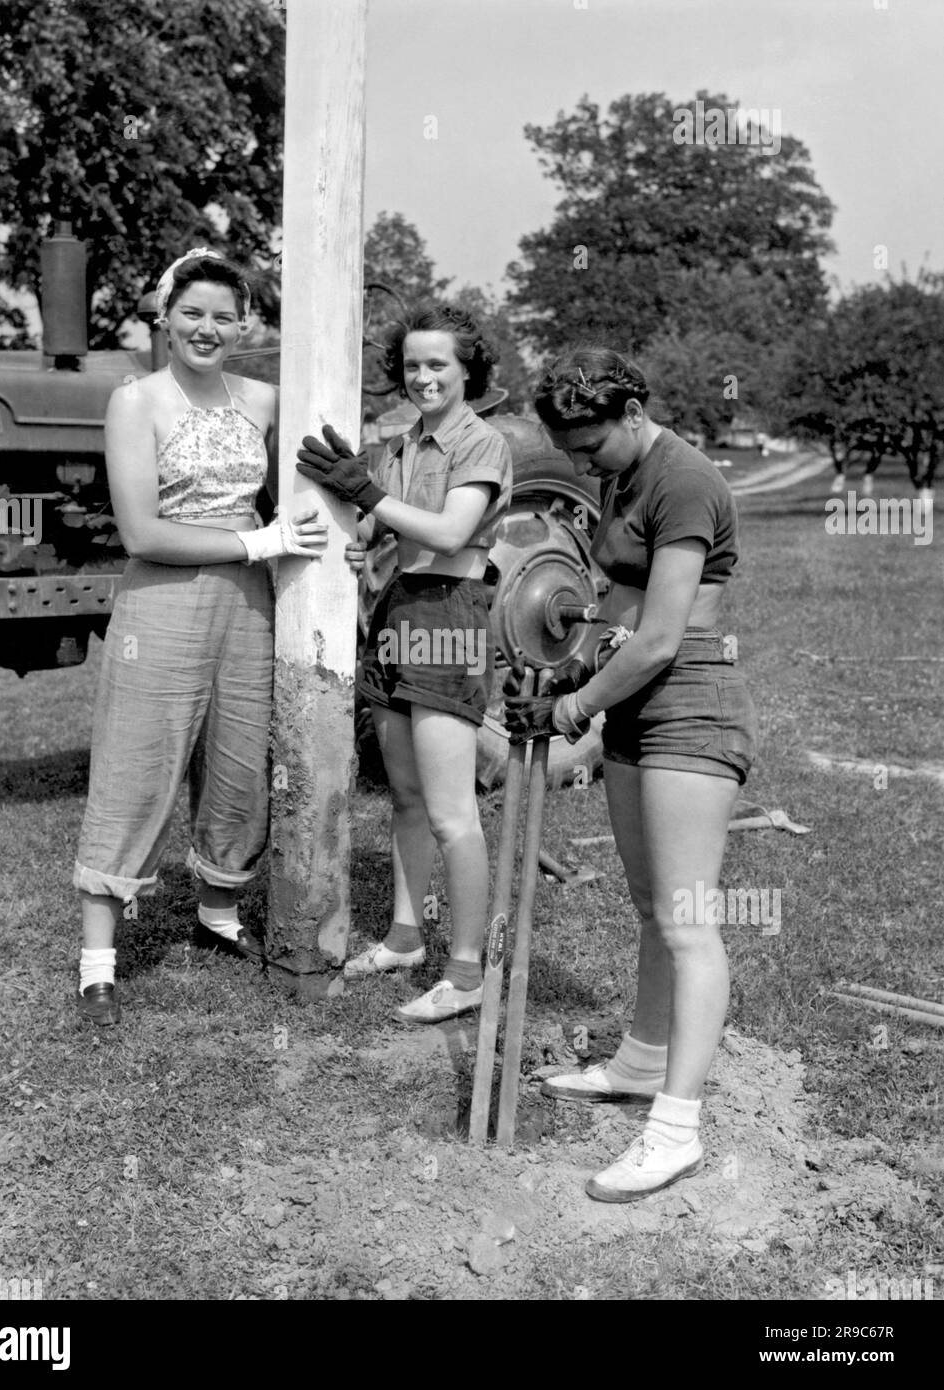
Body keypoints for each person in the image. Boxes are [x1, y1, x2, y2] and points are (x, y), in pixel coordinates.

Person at [504, 348, 757, 1201]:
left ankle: (675, 1130)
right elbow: (614, 608)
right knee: (651, 903)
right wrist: (569, 672)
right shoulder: (621, 476)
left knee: (688, 919)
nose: (579, 464)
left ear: (633, 413)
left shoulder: (683, 481)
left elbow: (658, 635)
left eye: (589, 446)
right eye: (567, 451)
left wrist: (572, 714)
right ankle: (641, 1065)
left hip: (690, 701)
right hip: (634, 703)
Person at [72, 248, 347, 1026]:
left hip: (251, 604)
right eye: (191, 312)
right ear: (165, 317)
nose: (207, 327)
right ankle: (99, 959)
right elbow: (138, 530)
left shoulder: (264, 399)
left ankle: (216, 914)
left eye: (224, 316)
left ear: (244, 325)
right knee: (139, 755)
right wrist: (256, 543)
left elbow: (332, 468)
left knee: (238, 760)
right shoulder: (136, 400)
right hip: (163, 597)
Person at [297, 304, 513, 1024]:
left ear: (467, 371)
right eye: (413, 365)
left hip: (449, 613)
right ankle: (403, 938)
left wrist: (371, 497)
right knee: (408, 799)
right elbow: (374, 525)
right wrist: (360, 530)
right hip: (397, 608)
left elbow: (451, 531)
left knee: (454, 812)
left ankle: (466, 972)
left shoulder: (481, 443)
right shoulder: (399, 444)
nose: (422, 377)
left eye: (437, 365)